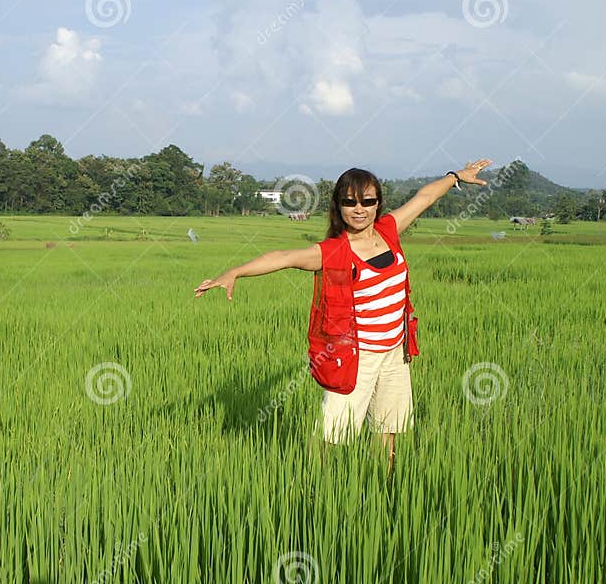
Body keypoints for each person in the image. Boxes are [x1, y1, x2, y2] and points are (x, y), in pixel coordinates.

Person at [193, 160, 491, 472]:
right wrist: (234, 272)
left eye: (367, 201)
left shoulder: (389, 231)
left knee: (388, 431)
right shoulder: (333, 251)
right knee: (331, 435)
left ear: (378, 204)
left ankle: (384, 489)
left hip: (395, 353)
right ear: (338, 206)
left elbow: (425, 197)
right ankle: (312, 489)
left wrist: (455, 176)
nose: (359, 209)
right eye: (349, 202)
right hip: (354, 358)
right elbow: (282, 257)